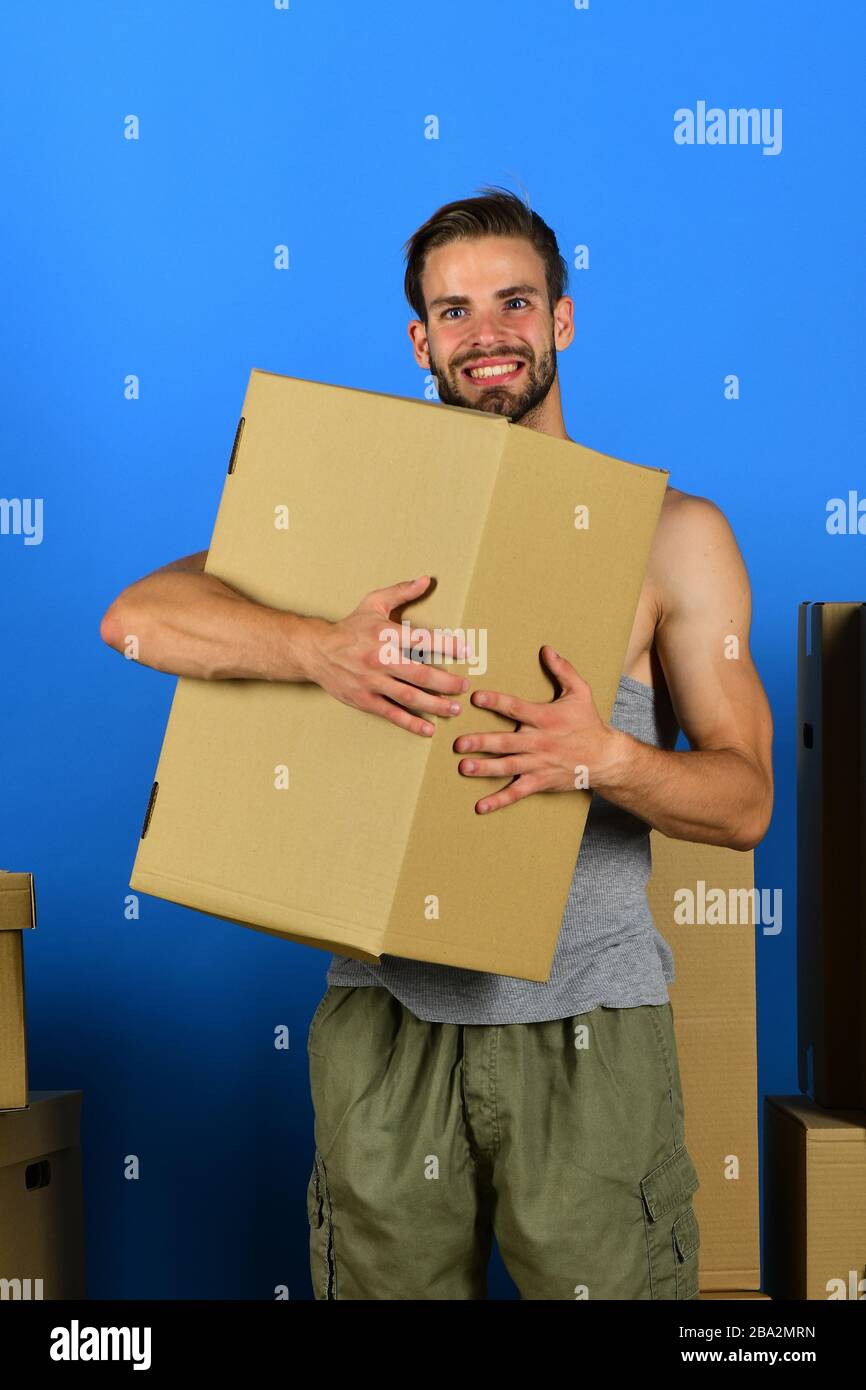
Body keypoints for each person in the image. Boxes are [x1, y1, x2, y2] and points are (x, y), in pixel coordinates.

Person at [100, 186, 774, 1300]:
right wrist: (319, 648)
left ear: (562, 318)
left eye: (515, 301)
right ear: (421, 341)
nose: (486, 333)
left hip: (589, 1026)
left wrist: (602, 756)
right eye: (454, 311)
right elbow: (138, 618)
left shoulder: (671, 534)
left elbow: (745, 803)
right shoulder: (367, 521)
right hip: (385, 1016)